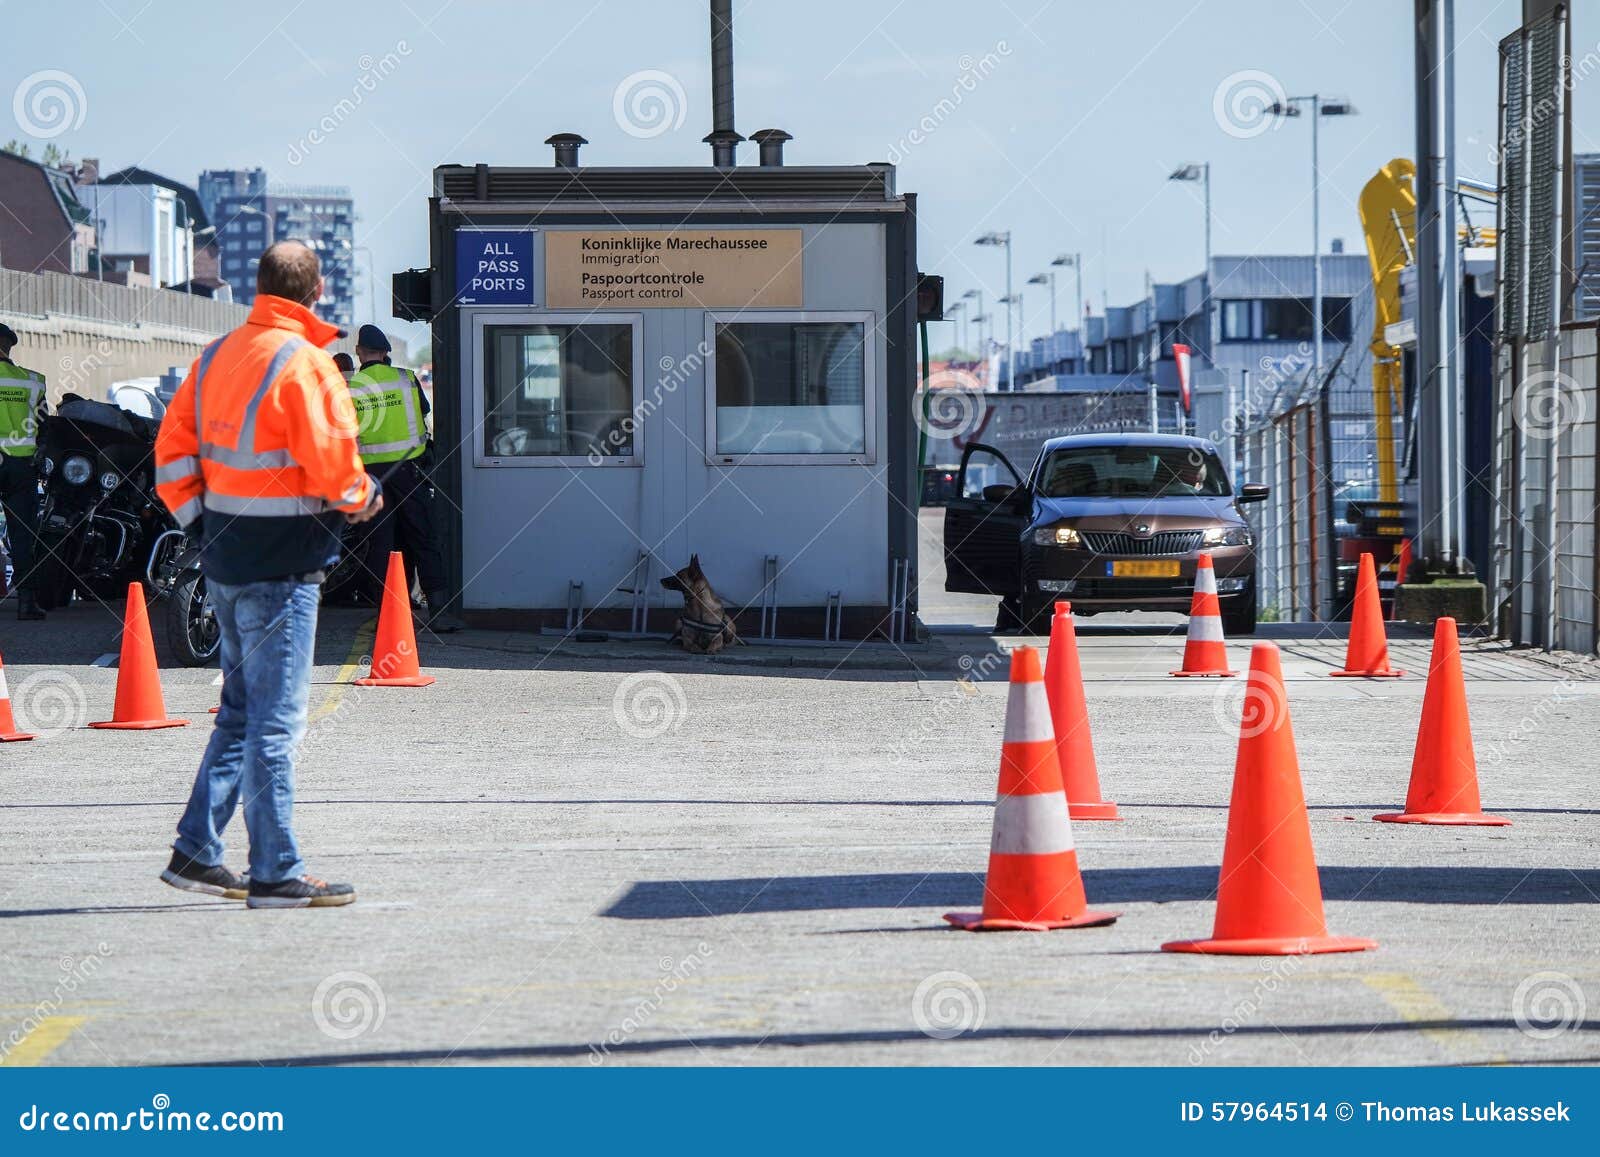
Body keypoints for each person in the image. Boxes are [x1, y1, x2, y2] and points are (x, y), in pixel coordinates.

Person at [154, 241, 383, 909]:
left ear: (260, 289)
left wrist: (203, 527)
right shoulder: (307, 364)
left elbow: (171, 452)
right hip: (285, 566)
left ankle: (196, 848)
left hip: (225, 558)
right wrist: (363, 497)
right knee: (275, 724)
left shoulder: (219, 354)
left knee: (240, 714)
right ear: (315, 294)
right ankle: (276, 869)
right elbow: (334, 469)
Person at [347, 323, 463, 632]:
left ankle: (388, 617)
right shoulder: (406, 378)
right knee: (423, 536)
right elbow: (424, 411)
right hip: (410, 470)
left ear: (359, 352)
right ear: (385, 352)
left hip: (372, 475)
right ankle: (438, 610)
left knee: (378, 544)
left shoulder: (352, 387)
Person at [0, 323, 48, 620]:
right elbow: (43, 426)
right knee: (21, 534)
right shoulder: (33, 382)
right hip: (20, 467)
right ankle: (26, 603)